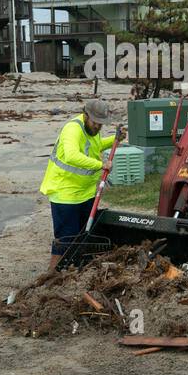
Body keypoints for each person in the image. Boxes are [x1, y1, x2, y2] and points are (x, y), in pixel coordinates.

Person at [39, 98, 126, 270]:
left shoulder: (92, 131)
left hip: (84, 192)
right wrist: (101, 165)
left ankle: (76, 268)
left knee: (82, 234)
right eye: (96, 123)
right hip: (66, 194)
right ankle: (52, 274)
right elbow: (71, 155)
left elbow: (95, 146)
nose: (98, 127)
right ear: (85, 115)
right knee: (66, 238)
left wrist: (114, 140)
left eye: (101, 124)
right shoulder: (73, 129)